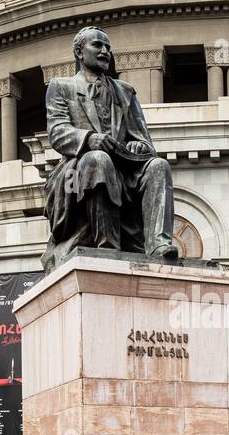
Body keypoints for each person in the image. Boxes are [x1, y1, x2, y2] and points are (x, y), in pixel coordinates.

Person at [41, 26, 176, 270]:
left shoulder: (125, 91)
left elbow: (145, 141)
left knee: (158, 166)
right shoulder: (61, 87)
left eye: (108, 48)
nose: (105, 52)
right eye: (98, 46)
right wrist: (89, 139)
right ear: (79, 52)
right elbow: (57, 133)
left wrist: (138, 145)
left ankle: (158, 244)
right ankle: (107, 246)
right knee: (98, 160)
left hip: (124, 170)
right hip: (77, 172)